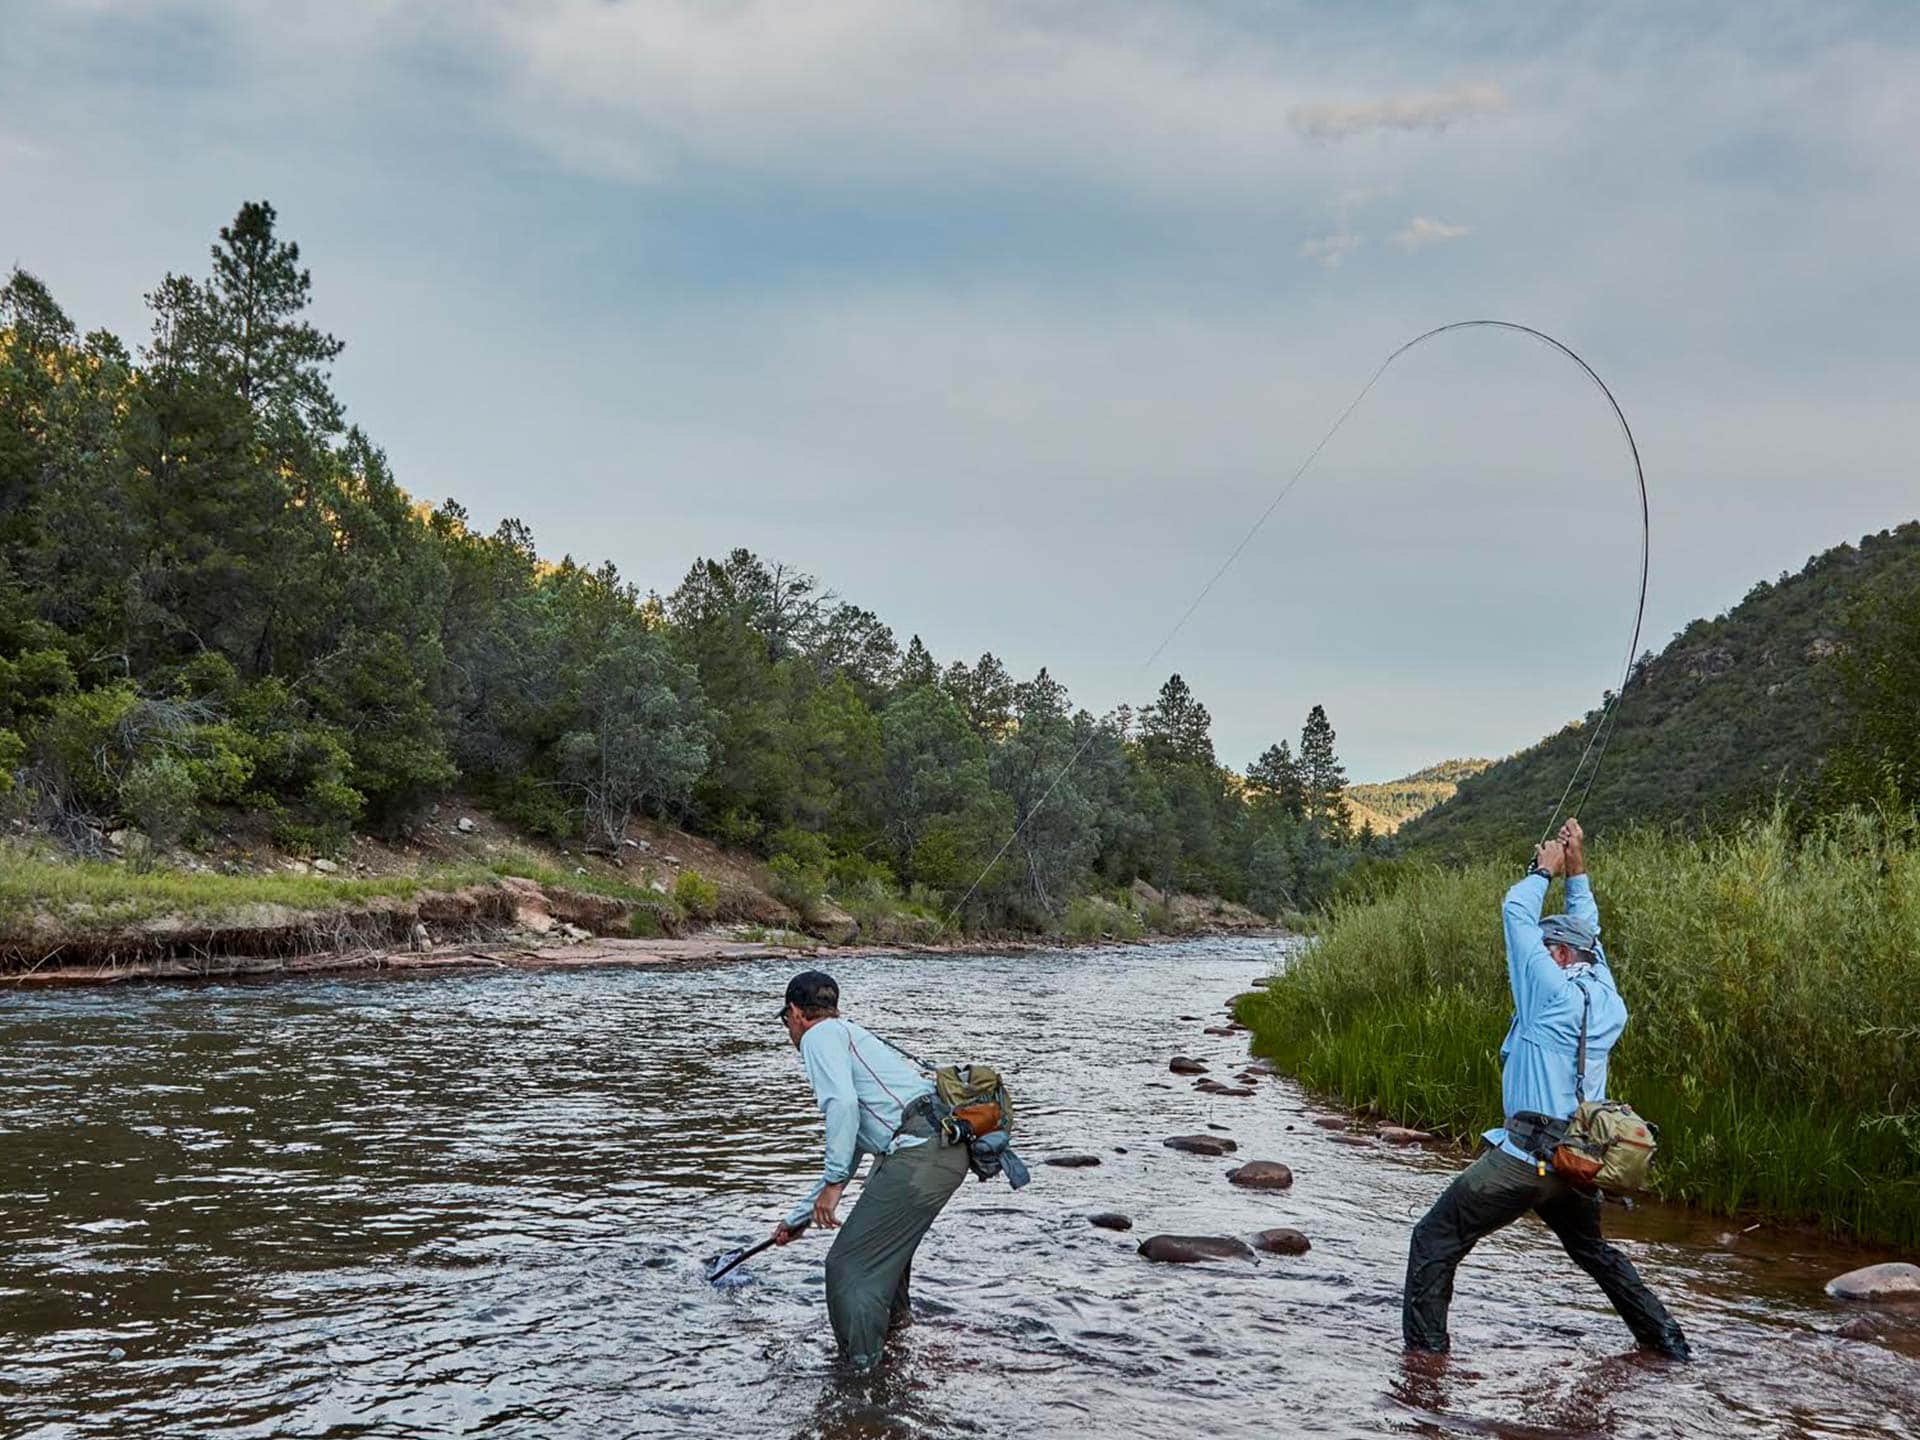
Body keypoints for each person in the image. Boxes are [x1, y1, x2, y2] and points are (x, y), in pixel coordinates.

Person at [1401, 819, 1691, 1360]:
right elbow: (1590, 929)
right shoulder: (1607, 994)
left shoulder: (1547, 992)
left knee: (1434, 1239)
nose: (1540, 948)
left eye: (1546, 943)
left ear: (1557, 954)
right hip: (1576, 1162)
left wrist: (1544, 868)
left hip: (1522, 1164)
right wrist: (1576, 867)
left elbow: (1515, 914)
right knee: (1594, 1252)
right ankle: (1667, 1342)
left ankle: (1424, 1362)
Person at [771, 970, 968, 1370]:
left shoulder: (819, 1036)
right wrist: (800, 1218)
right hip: (942, 1150)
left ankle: (861, 1376)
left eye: (785, 1019)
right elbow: (860, 1138)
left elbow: (841, 1106)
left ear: (795, 1012)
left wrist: (834, 1183)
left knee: (849, 1267)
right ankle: (897, 1348)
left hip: (920, 1153)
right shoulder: (846, 1033)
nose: (788, 1028)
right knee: (886, 1261)